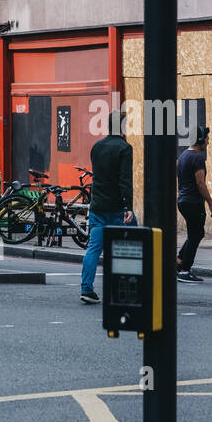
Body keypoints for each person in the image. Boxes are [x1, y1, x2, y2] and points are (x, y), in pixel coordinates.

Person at [80, 110, 135, 305]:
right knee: (132, 244)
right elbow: (124, 180)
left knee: (94, 248)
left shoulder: (97, 147)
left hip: (98, 206)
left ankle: (86, 288)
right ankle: (129, 287)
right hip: (116, 208)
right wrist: (128, 206)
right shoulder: (125, 148)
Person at [177, 124, 212, 282]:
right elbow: (200, 183)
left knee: (194, 234)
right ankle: (185, 270)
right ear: (201, 139)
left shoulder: (183, 156)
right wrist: (211, 203)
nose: (208, 142)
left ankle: (179, 261)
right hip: (193, 201)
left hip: (183, 200)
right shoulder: (197, 158)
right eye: (207, 139)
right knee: (196, 235)